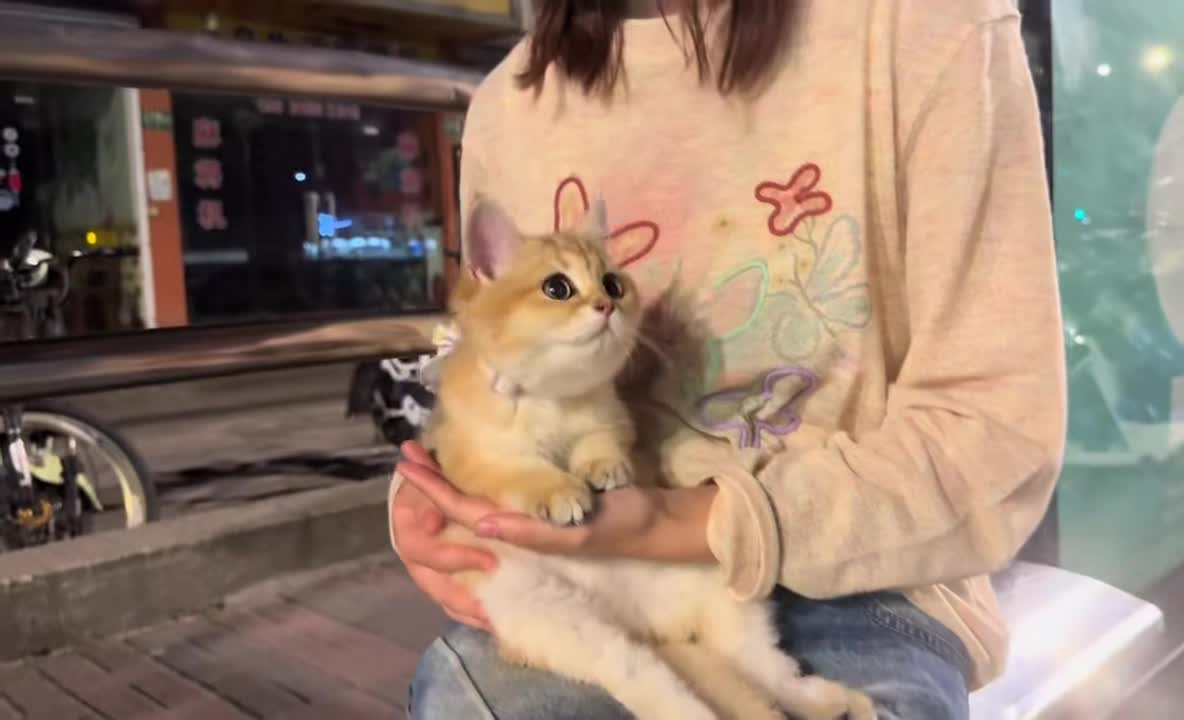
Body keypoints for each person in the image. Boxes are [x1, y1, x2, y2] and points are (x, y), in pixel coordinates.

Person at [389, 0, 1064, 717]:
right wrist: (431, 494)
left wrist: (687, 524)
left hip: (861, 583)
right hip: (576, 567)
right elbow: (489, 361)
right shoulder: (512, 99)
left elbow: (995, 434)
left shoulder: (926, 30)